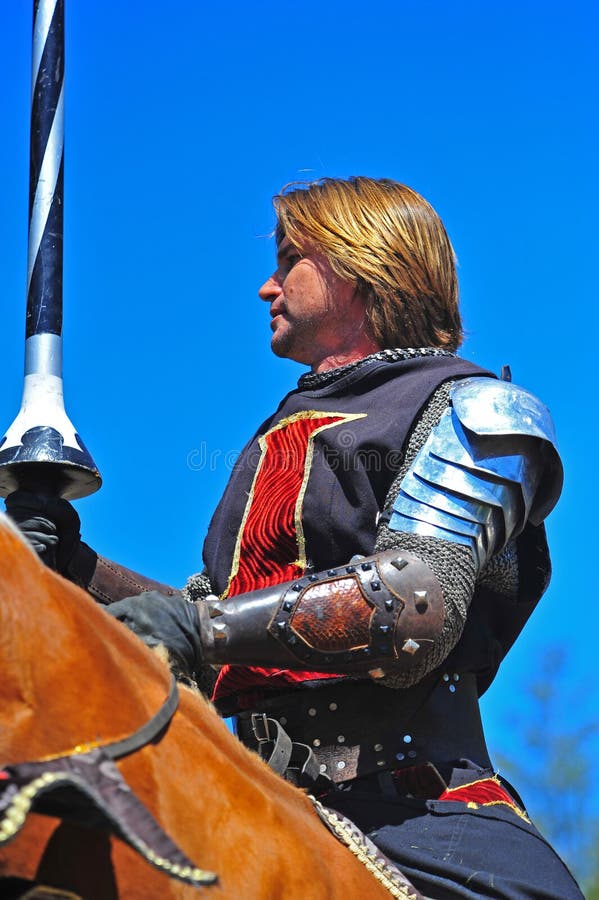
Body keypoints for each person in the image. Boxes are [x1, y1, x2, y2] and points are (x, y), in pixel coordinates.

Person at [7, 177, 583, 898]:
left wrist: (197, 627)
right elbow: (222, 633)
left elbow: (413, 604)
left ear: (360, 264)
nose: (264, 287)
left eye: (287, 261)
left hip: (418, 808)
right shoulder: (278, 433)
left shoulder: (475, 409)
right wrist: (73, 568)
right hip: (251, 781)